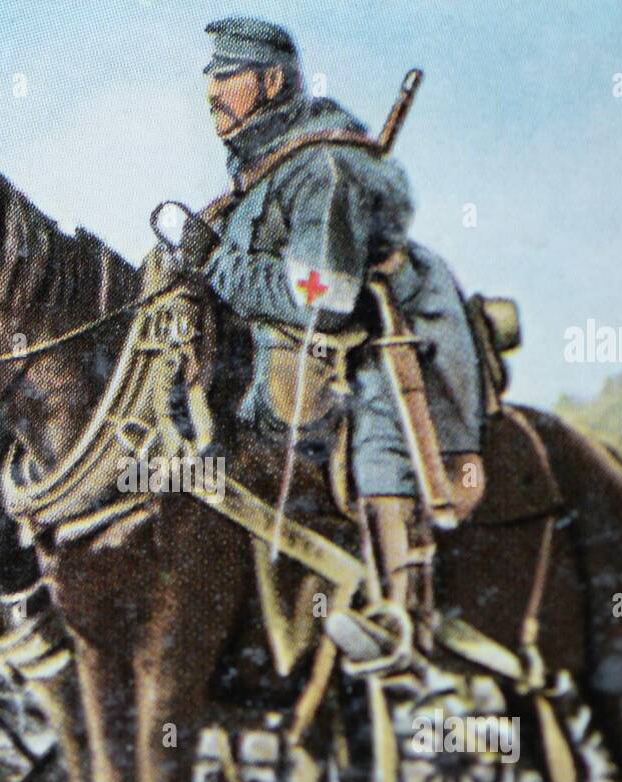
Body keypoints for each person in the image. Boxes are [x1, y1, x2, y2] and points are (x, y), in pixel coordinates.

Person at [195, 16, 487, 666]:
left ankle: (398, 614)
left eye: (226, 76)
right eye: (210, 76)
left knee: (379, 431)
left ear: (271, 81)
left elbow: (325, 298)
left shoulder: (321, 170)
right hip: (299, 352)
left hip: (390, 333)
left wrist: (222, 267)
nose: (211, 90)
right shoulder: (264, 168)